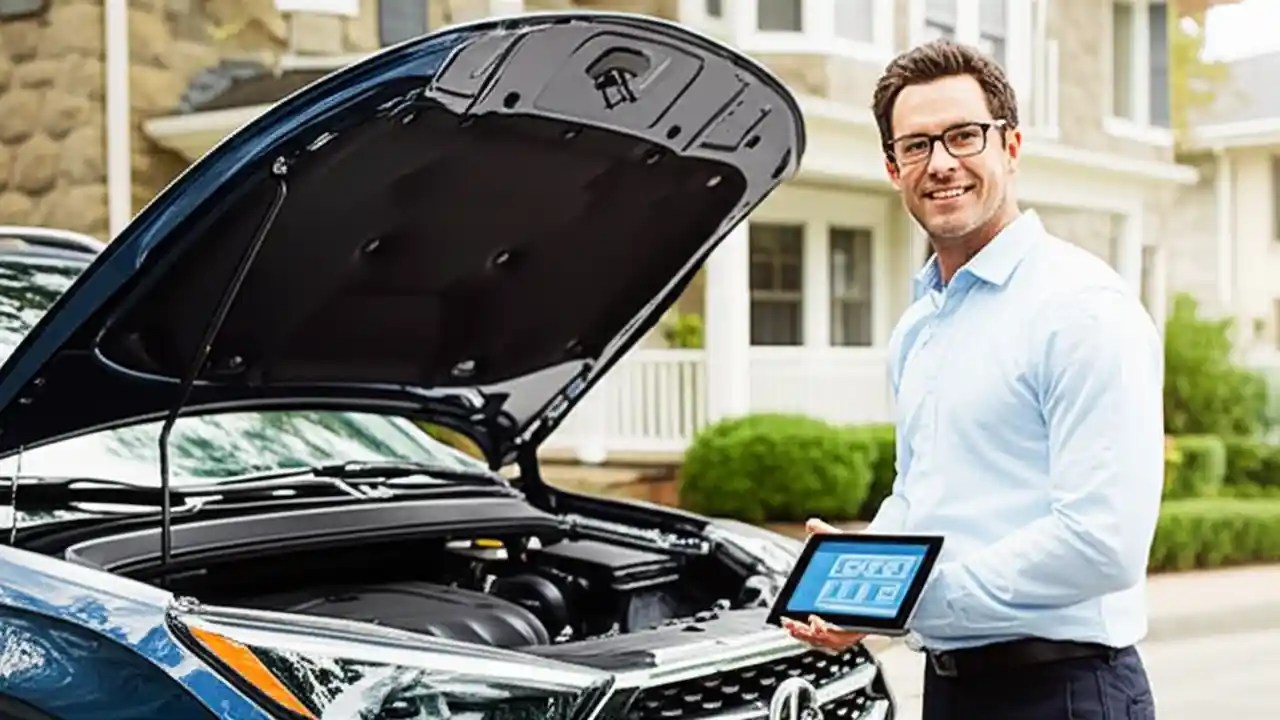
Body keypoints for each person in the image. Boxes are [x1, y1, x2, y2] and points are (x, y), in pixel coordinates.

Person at [781, 39, 1164, 720]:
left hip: (1065, 692)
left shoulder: (1081, 309)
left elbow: (1101, 542)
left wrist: (912, 597)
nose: (942, 163)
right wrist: (857, 580)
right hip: (951, 690)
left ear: (1010, 146)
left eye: (964, 135)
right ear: (893, 168)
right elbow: (918, 494)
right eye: (918, 145)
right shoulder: (919, 329)